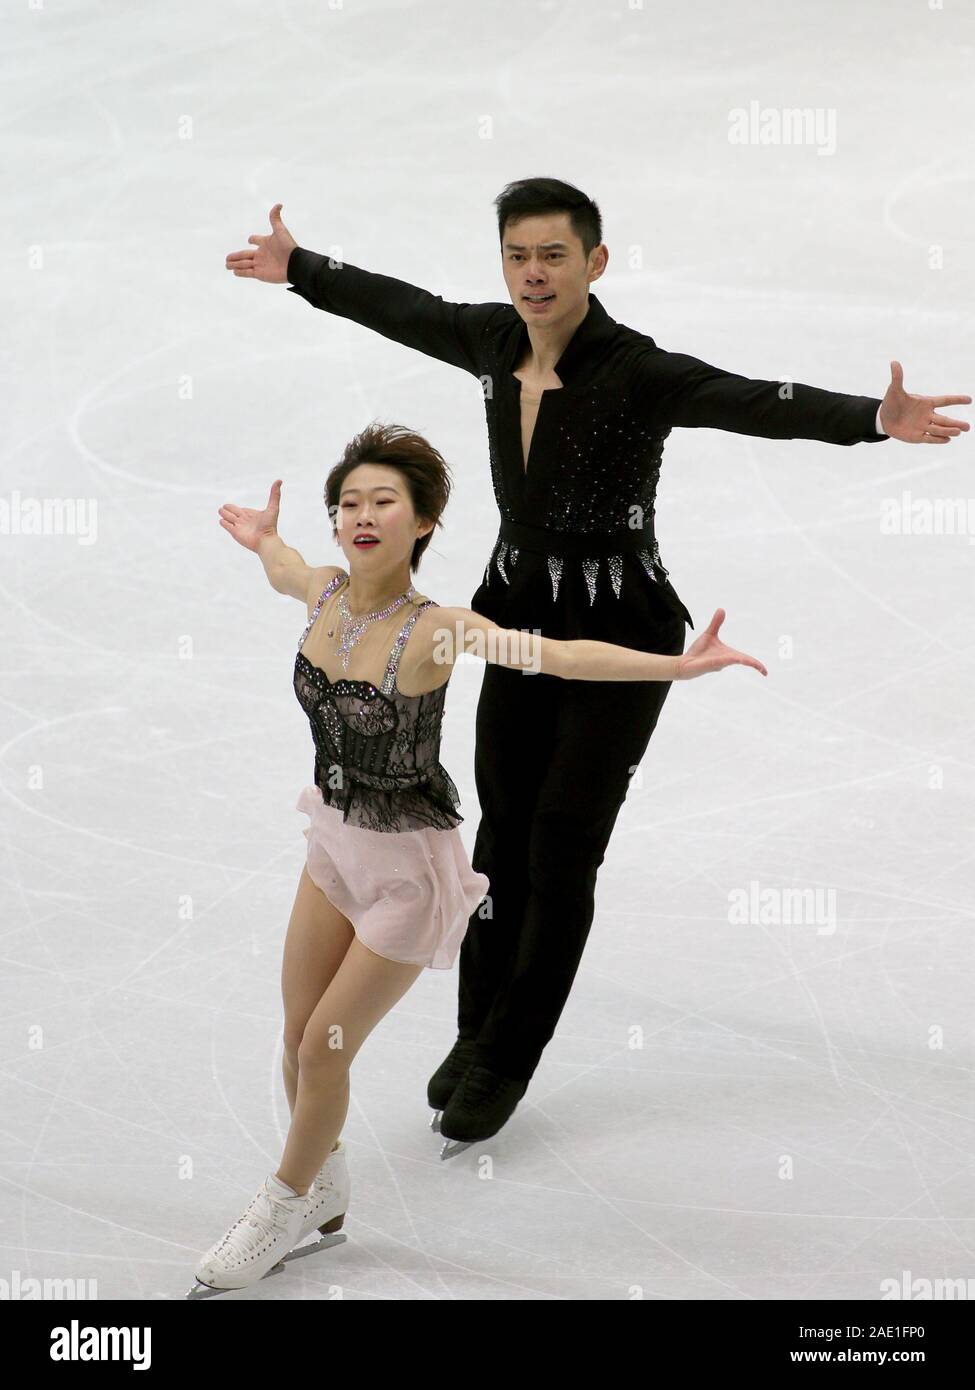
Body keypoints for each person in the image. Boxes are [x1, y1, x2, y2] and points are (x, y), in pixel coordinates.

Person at [225, 179, 970, 1147]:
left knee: (562, 845)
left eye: (554, 256)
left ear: (596, 263)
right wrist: (304, 271)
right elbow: (407, 310)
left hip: (620, 626)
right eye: (518, 256)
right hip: (515, 619)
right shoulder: (492, 340)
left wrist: (873, 416)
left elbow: (750, 399)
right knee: (501, 836)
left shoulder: (635, 369)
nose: (534, 275)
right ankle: (475, 1030)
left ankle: (510, 1054)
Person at [190, 420, 766, 1292]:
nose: (361, 516)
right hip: (333, 848)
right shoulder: (322, 594)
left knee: (323, 1052)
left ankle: (280, 1205)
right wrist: (266, 537)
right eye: (348, 503)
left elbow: (558, 654)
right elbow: (282, 568)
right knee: (295, 1038)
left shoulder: (441, 629)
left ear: (423, 522)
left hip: (404, 878)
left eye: (384, 501)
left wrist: (672, 668)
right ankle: (322, 1188)